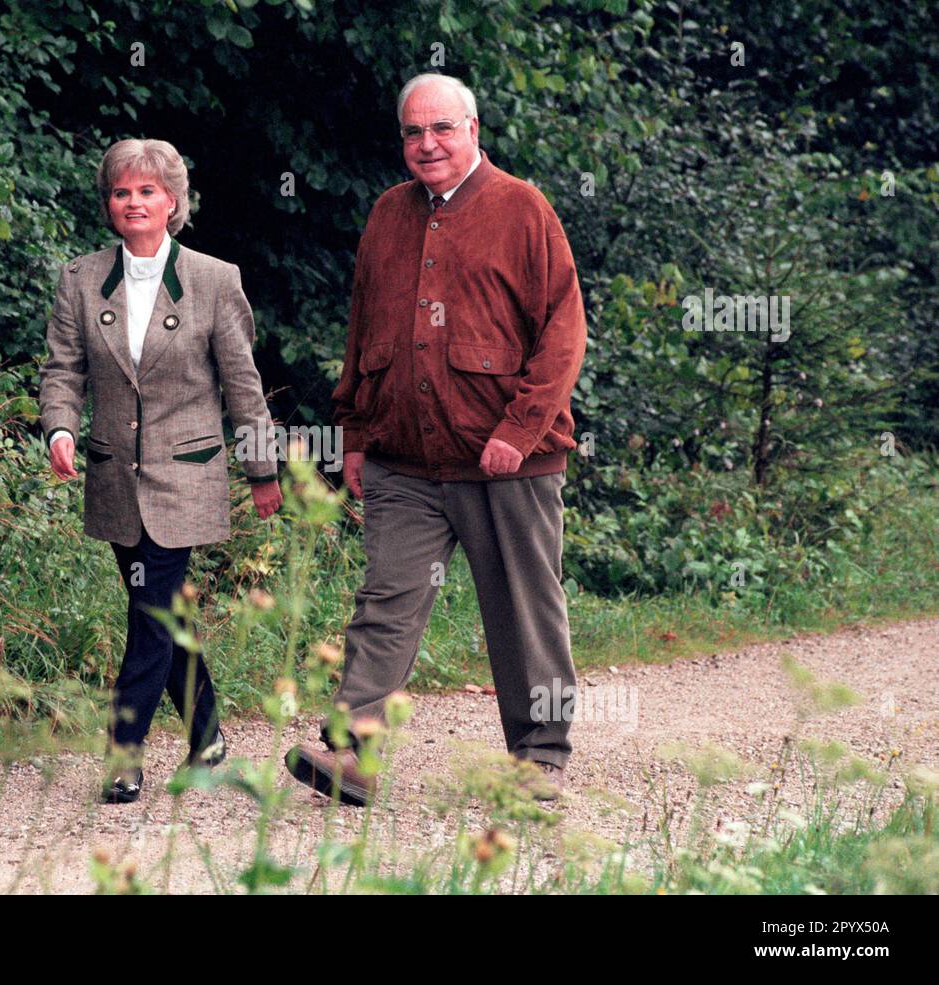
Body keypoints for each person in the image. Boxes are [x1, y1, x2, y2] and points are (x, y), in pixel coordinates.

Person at [285, 73, 587, 806]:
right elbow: (363, 332)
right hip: (404, 460)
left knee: (521, 607)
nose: (427, 145)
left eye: (442, 129)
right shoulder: (388, 214)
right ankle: (352, 752)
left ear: (473, 129)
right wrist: (353, 431)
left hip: (507, 462)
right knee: (385, 600)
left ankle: (539, 757)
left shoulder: (523, 209)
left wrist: (521, 428)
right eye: (414, 133)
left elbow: (564, 330)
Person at [39, 138, 282, 803]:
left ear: (171, 201)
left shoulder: (213, 279)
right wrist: (59, 427)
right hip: (115, 474)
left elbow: (243, 384)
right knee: (165, 615)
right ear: (109, 204)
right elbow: (63, 370)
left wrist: (263, 468)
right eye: (122, 192)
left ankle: (126, 755)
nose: (134, 201)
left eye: (147, 190)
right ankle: (207, 738)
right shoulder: (81, 279)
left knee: (147, 618)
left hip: (187, 477)